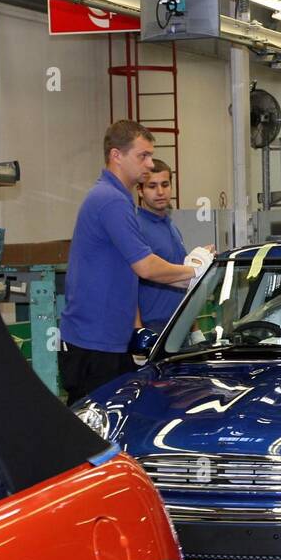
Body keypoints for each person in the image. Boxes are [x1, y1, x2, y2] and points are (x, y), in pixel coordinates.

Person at [59, 121, 213, 404]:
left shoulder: (116, 199)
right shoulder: (111, 201)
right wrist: (197, 271)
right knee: (97, 434)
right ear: (116, 155)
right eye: (143, 156)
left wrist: (198, 274)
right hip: (95, 344)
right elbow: (147, 267)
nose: (149, 163)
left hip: (107, 340)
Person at [134, 158, 199, 335]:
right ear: (140, 191)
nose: (160, 192)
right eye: (152, 186)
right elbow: (127, 284)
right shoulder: (135, 227)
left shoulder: (172, 227)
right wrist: (138, 332)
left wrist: (194, 329)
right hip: (153, 327)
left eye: (165, 184)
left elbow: (185, 282)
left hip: (179, 325)